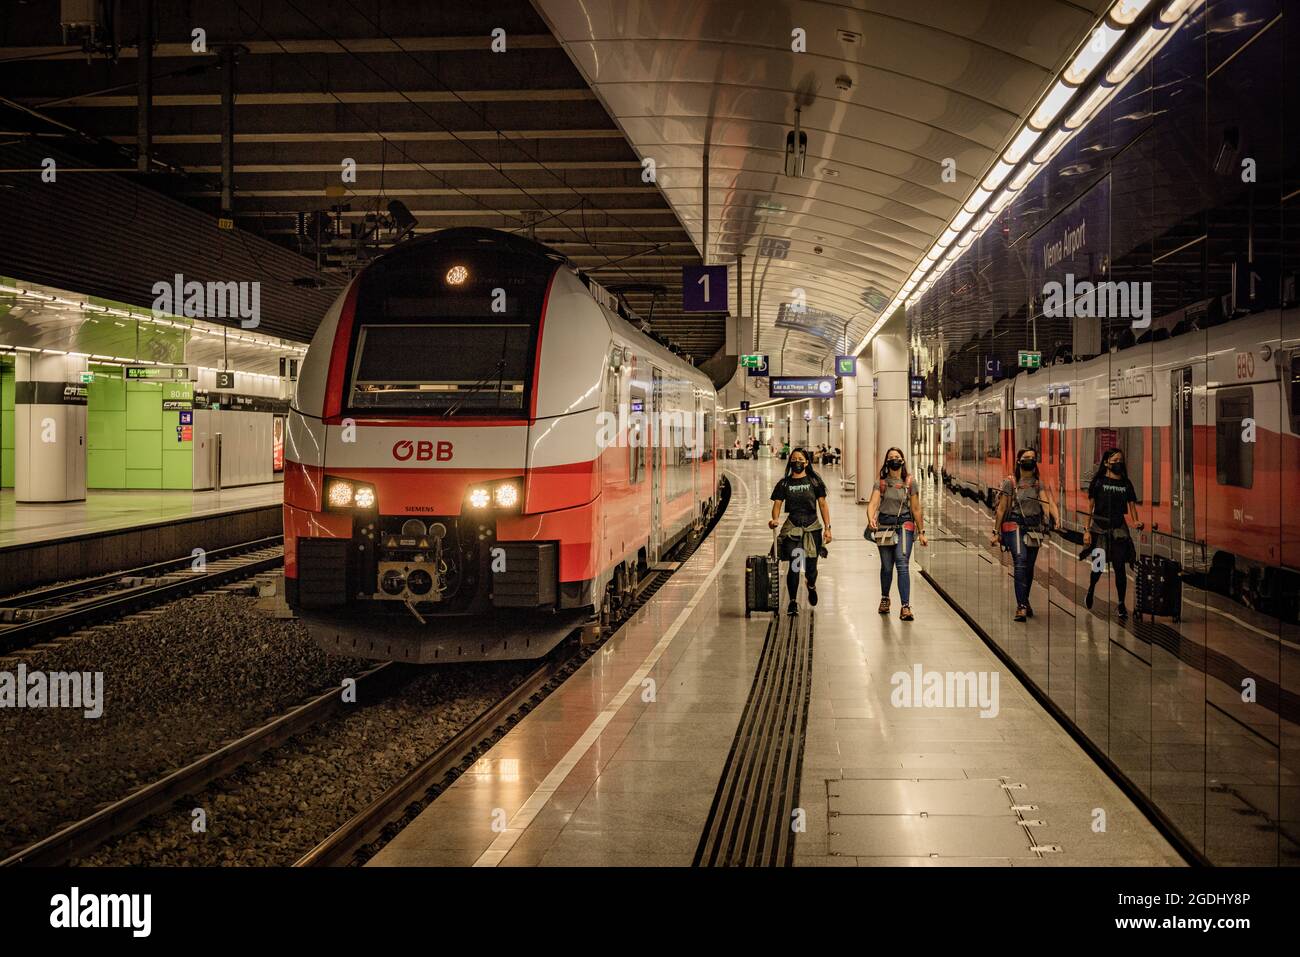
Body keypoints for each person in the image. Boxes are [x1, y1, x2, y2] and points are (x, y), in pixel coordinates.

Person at [991, 448, 1060, 622]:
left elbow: (1046, 503)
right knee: (1020, 562)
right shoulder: (1010, 483)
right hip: (1014, 525)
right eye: (1026, 457)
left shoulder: (1038, 483)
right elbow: (1002, 508)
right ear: (1019, 461)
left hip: (1034, 527)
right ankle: (1021, 606)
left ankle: (1025, 600)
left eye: (1033, 458)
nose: (1030, 460)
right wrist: (995, 531)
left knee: (1029, 568)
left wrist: (1054, 518)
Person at [768, 447, 832, 615]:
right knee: (795, 566)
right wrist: (775, 519)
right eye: (794, 459)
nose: (797, 462)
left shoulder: (814, 481)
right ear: (790, 462)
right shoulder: (784, 483)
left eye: (800, 459)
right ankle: (793, 602)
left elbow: (823, 505)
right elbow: (777, 505)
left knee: (811, 569)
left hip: (812, 529)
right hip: (794, 530)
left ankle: (811, 584)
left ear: (807, 462)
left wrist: (828, 528)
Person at [866, 447, 927, 621]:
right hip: (884, 526)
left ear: (902, 461)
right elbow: (872, 504)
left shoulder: (910, 483)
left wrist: (921, 532)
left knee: (902, 564)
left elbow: (916, 508)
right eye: (891, 457)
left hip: (905, 525)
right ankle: (885, 598)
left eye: (897, 457)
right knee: (886, 566)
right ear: (887, 462)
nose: (894, 459)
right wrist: (871, 518)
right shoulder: (881, 483)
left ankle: (905, 606)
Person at [1082, 447, 1143, 619]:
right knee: (1098, 566)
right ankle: (1091, 588)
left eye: (1120, 461)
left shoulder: (1125, 483)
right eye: (1115, 461)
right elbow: (1090, 507)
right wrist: (1087, 530)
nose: (1118, 464)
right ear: (1106, 462)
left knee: (1119, 568)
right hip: (1099, 529)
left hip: (1119, 529)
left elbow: (1132, 505)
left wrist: (1136, 521)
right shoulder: (1098, 482)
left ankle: (1122, 604)